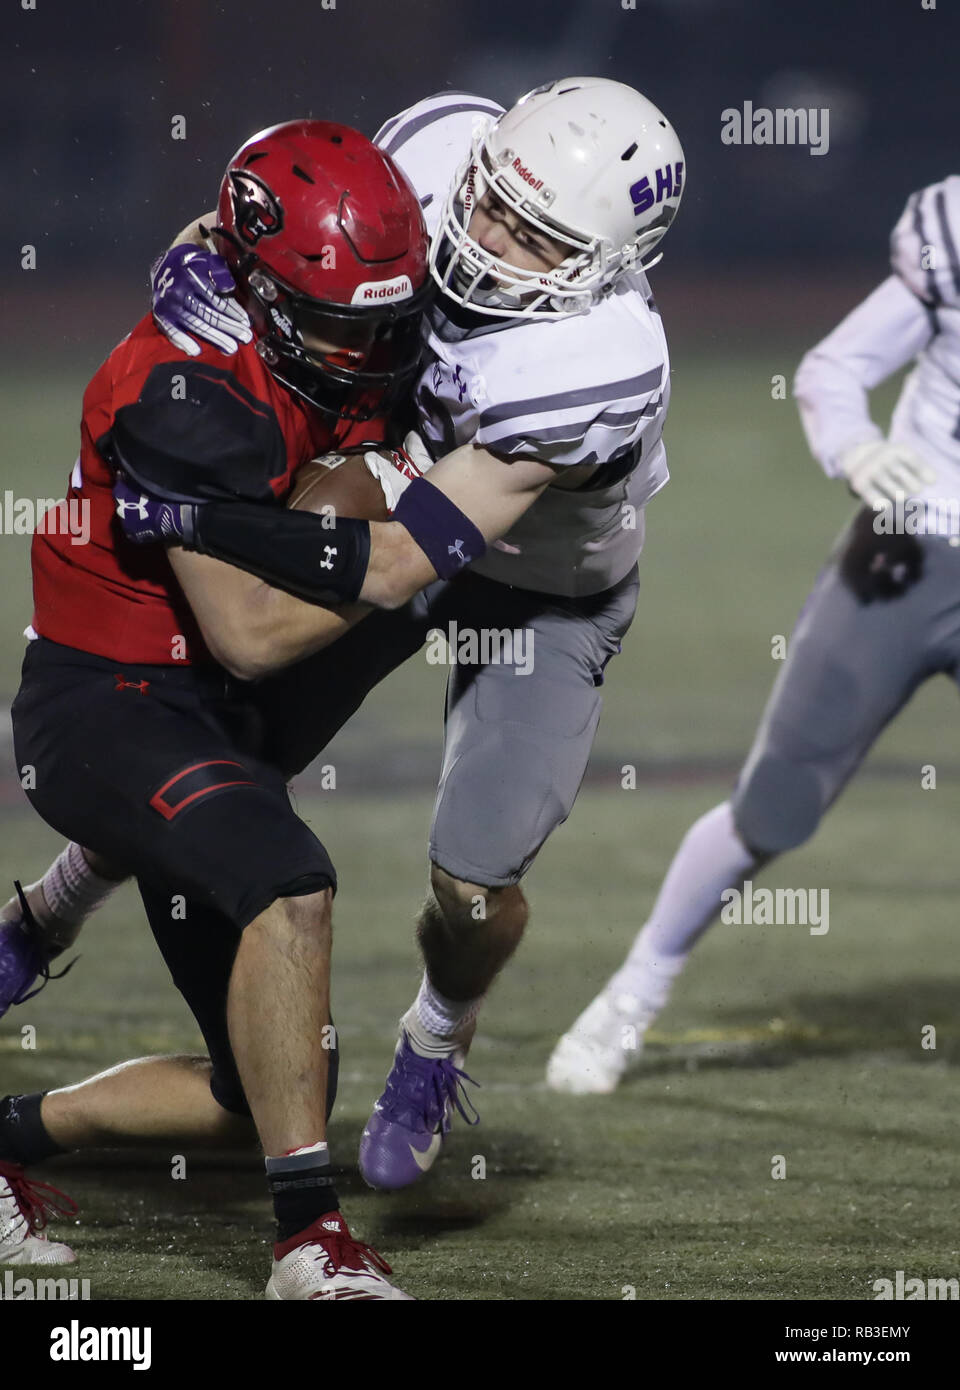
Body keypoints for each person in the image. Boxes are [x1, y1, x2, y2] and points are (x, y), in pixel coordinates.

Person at [3, 79, 686, 1193]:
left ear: (605, 265)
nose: (488, 233)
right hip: (397, 495)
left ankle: (438, 1030)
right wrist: (193, 264)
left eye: (534, 233)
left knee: (470, 890)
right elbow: (274, 226)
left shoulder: (590, 365)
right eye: (491, 197)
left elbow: (408, 560)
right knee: (215, 746)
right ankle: (46, 914)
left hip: (534, 583)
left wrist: (191, 514)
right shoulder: (436, 146)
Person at [0, 118, 436, 1299]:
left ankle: (10, 1131)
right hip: (109, 703)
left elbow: (266, 237)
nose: (373, 345)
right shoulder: (183, 385)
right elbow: (246, 637)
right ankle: (311, 1246)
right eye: (344, 319)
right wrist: (403, 557)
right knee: (290, 881)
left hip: (203, 704)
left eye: (384, 316)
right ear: (268, 294)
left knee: (267, 1089)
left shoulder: (312, 293)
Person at [546, 176, 960, 1095]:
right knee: (775, 803)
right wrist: (853, 447)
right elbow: (834, 369)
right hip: (912, 550)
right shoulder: (952, 234)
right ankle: (632, 994)